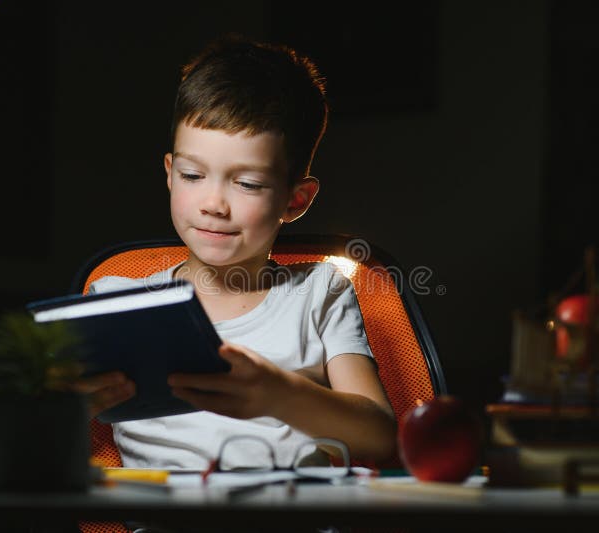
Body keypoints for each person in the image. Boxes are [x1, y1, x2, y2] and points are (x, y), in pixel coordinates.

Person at [74, 34, 397, 471]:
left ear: (295, 200)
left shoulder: (320, 293)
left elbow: (381, 438)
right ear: (170, 174)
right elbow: (38, 448)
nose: (213, 204)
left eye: (246, 183)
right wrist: (68, 408)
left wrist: (277, 393)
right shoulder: (116, 301)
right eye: (193, 174)